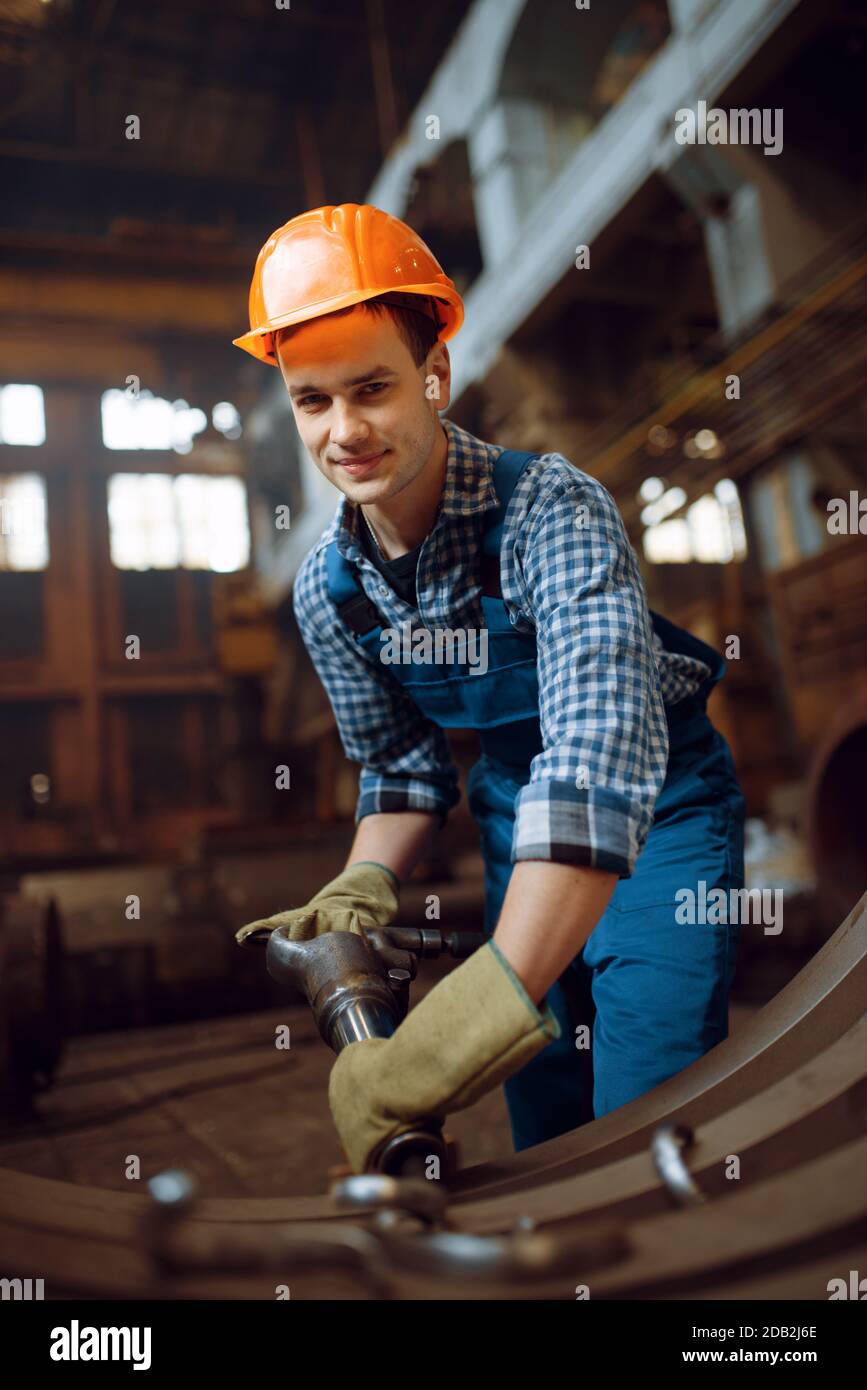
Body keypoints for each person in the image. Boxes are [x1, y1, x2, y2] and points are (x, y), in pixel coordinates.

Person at [233, 203, 746, 1174]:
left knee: (646, 1103)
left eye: (373, 388)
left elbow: (597, 761)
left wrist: (439, 1044)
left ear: (436, 376)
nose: (344, 432)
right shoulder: (329, 592)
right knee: (549, 1128)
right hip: (517, 820)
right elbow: (400, 767)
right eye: (313, 401)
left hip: (661, 814)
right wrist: (365, 879)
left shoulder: (551, 512)